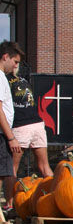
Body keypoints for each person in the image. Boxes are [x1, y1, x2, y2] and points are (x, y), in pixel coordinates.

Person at [5, 45, 52, 181]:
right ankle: (55, 195)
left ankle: (10, 202)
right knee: (44, 167)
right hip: (37, 123)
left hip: (21, 125)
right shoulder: (24, 81)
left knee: (12, 168)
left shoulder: (5, 80)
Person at [0, 42, 24, 212]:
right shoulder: (0, 78)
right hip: (2, 134)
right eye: (15, 61)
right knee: (5, 172)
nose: (16, 66)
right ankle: (8, 208)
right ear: (5, 57)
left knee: (5, 171)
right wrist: (11, 137)